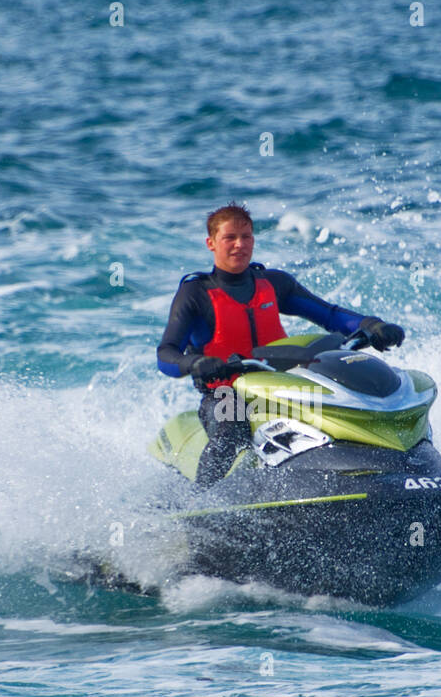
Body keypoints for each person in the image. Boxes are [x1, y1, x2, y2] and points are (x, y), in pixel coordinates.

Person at [157, 202, 405, 486]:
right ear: (211, 243)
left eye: (246, 237)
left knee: (343, 408)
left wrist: (371, 326)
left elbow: (330, 314)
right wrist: (196, 363)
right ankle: (201, 500)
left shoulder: (273, 283)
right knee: (230, 431)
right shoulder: (196, 293)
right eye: (230, 238)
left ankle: (373, 474)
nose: (240, 245)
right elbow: (166, 354)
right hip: (226, 394)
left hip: (282, 386)